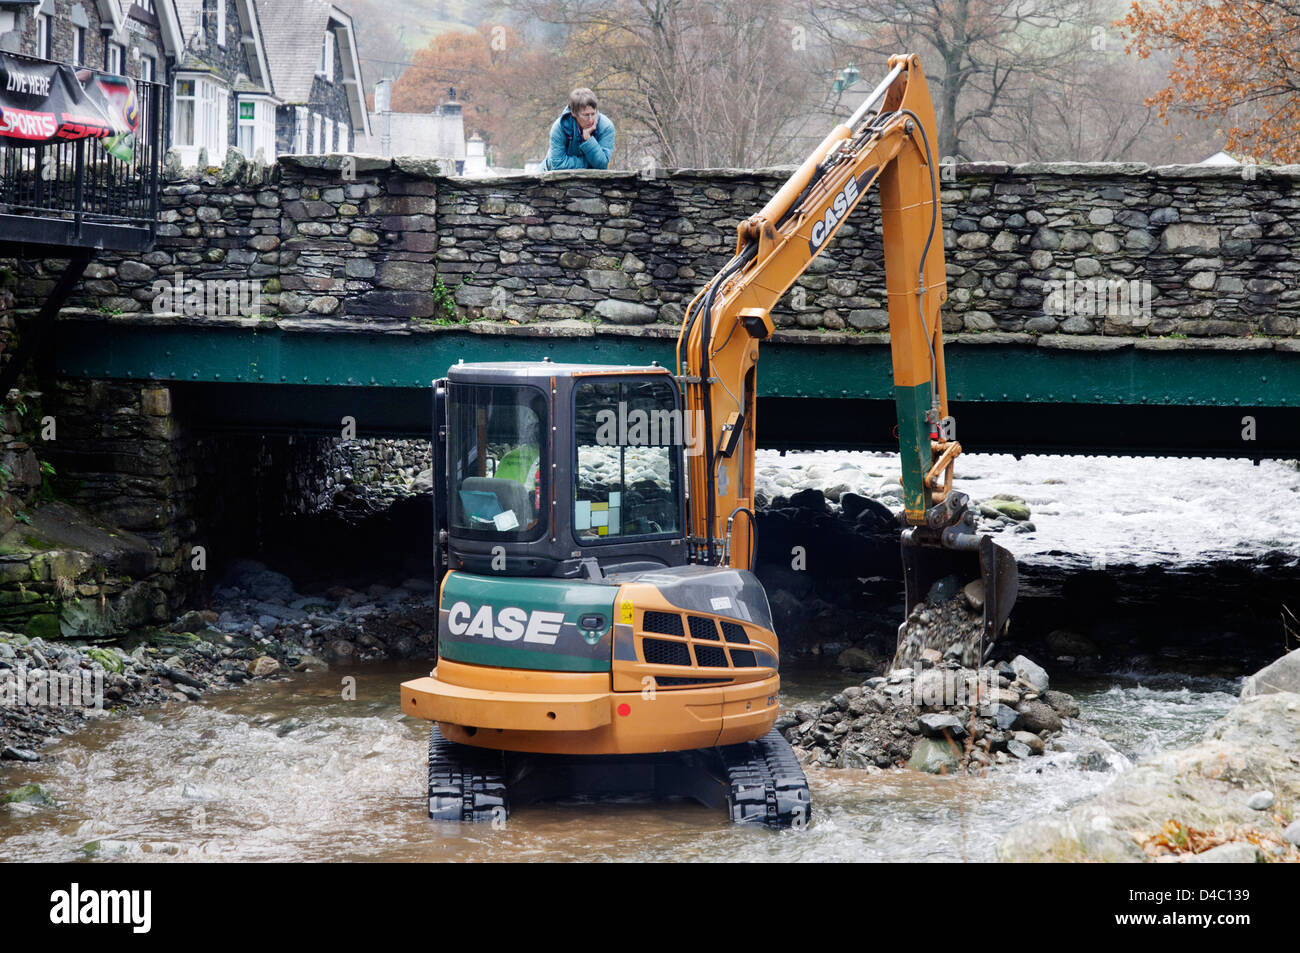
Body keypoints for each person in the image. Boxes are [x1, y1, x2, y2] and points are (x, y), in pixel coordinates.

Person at [543, 88, 614, 170]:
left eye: (593, 114)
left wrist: (588, 140)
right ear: (573, 113)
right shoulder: (559, 127)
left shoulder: (606, 127)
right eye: (586, 115)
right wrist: (591, 164)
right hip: (547, 175)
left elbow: (602, 165)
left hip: (591, 179)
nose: (591, 120)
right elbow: (558, 165)